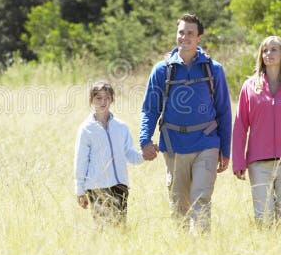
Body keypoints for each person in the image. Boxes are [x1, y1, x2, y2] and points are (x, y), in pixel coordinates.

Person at [140, 13, 232, 233]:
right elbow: (150, 109)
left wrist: (225, 150)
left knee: (201, 198)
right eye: (181, 32)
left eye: (190, 33)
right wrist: (145, 140)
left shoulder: (213, 69)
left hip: (207, 143)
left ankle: (201, 251)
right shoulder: (162, 70)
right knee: (179, 207)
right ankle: (183, 253)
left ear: (199, 37)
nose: (185, 37)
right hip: (174, 146)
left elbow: (224, 112)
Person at [231, 36, 281, 229]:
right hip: (258, 163)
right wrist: (238, 161)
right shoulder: (249, 88)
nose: (269, 54)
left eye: (274, 49)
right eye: (265, 50)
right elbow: (240, 126)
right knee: (263, 219)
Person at [74, 81, 150, 227]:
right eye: (98, 98)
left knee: (120, 228)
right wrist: (80, 190)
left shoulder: (121, 127)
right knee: (102, 229)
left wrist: (144, 155)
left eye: (107, 98)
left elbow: (130, 154)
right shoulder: (86, 129)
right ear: (91, 100)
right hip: (97, 188)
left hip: (120, 186)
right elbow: (80, 161)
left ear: (112, 100)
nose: (103, 102)